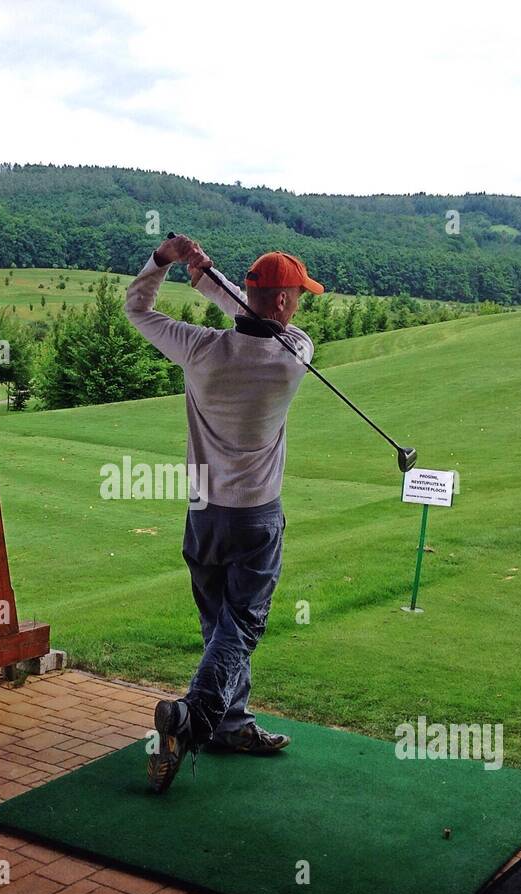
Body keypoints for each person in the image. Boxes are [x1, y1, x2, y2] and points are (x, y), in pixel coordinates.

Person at [124, 233, 324, 793]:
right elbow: (258, 317)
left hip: (204, 513)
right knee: (242, 625)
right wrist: (211, 280)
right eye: (297, 295)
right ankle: (191, 718)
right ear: (285, 303)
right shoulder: (296, 353)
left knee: (218, 622)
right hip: (256, 517)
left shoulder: (199, 348)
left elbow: (137, 307)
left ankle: (231, 725)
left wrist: (168, 262)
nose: (300, 304)